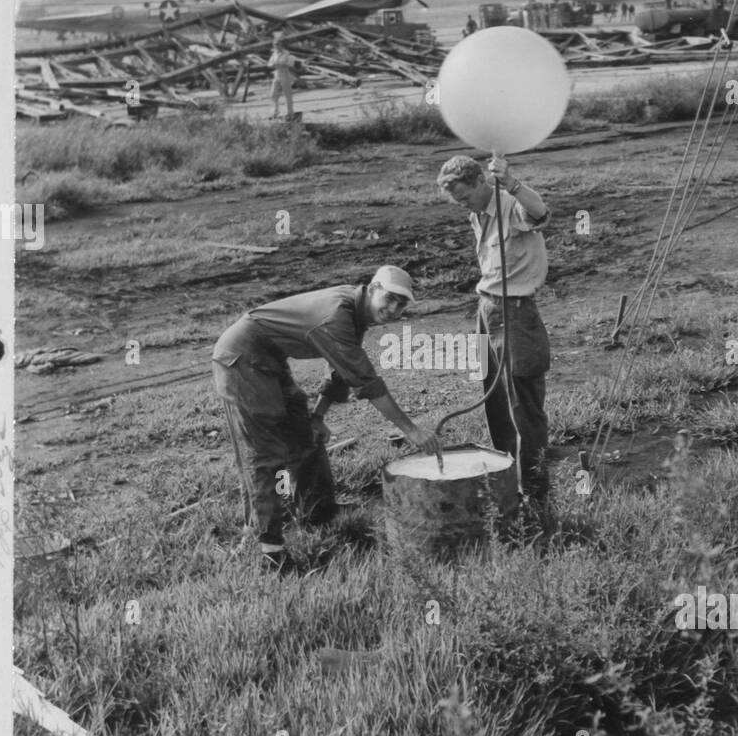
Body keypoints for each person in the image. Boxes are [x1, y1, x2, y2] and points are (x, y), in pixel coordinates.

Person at [212, 266, 443, 571]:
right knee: (266, 455)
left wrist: (318, 416)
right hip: (241, 359)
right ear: (373, 288)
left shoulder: (356, 311)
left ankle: (317, 513)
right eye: (390, 298)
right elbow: (367, 383)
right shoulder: (338, 315)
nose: (394, 309)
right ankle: (268, 550)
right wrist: (411, 430)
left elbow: (338, 372)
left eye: (402, 304)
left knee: (306, 433)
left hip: (269, 360)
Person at [436, 154, 552, 513]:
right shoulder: (477, 213)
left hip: (515, 312)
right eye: (456, 202)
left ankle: (534, 491)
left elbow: (540, 214)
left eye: (464, 197)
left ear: (479, 183)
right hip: (488, 308)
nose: (462, 206)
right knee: (494, 399)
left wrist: (514, 182)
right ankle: (506, 476)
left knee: (524, 404)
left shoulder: (509, 204)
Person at [268, 31, 296, 119]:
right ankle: (274, 112)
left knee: (288, 94)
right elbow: (269, 63)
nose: (275, 46)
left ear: (281, 45)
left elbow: (291, 63)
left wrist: (284, 64)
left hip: (285, 74)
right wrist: (272, 65)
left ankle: (290, 113)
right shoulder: (274, 54)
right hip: (277, 74)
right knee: (273, 94)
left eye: (277, 44)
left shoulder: (287, 54)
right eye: (274, 44)